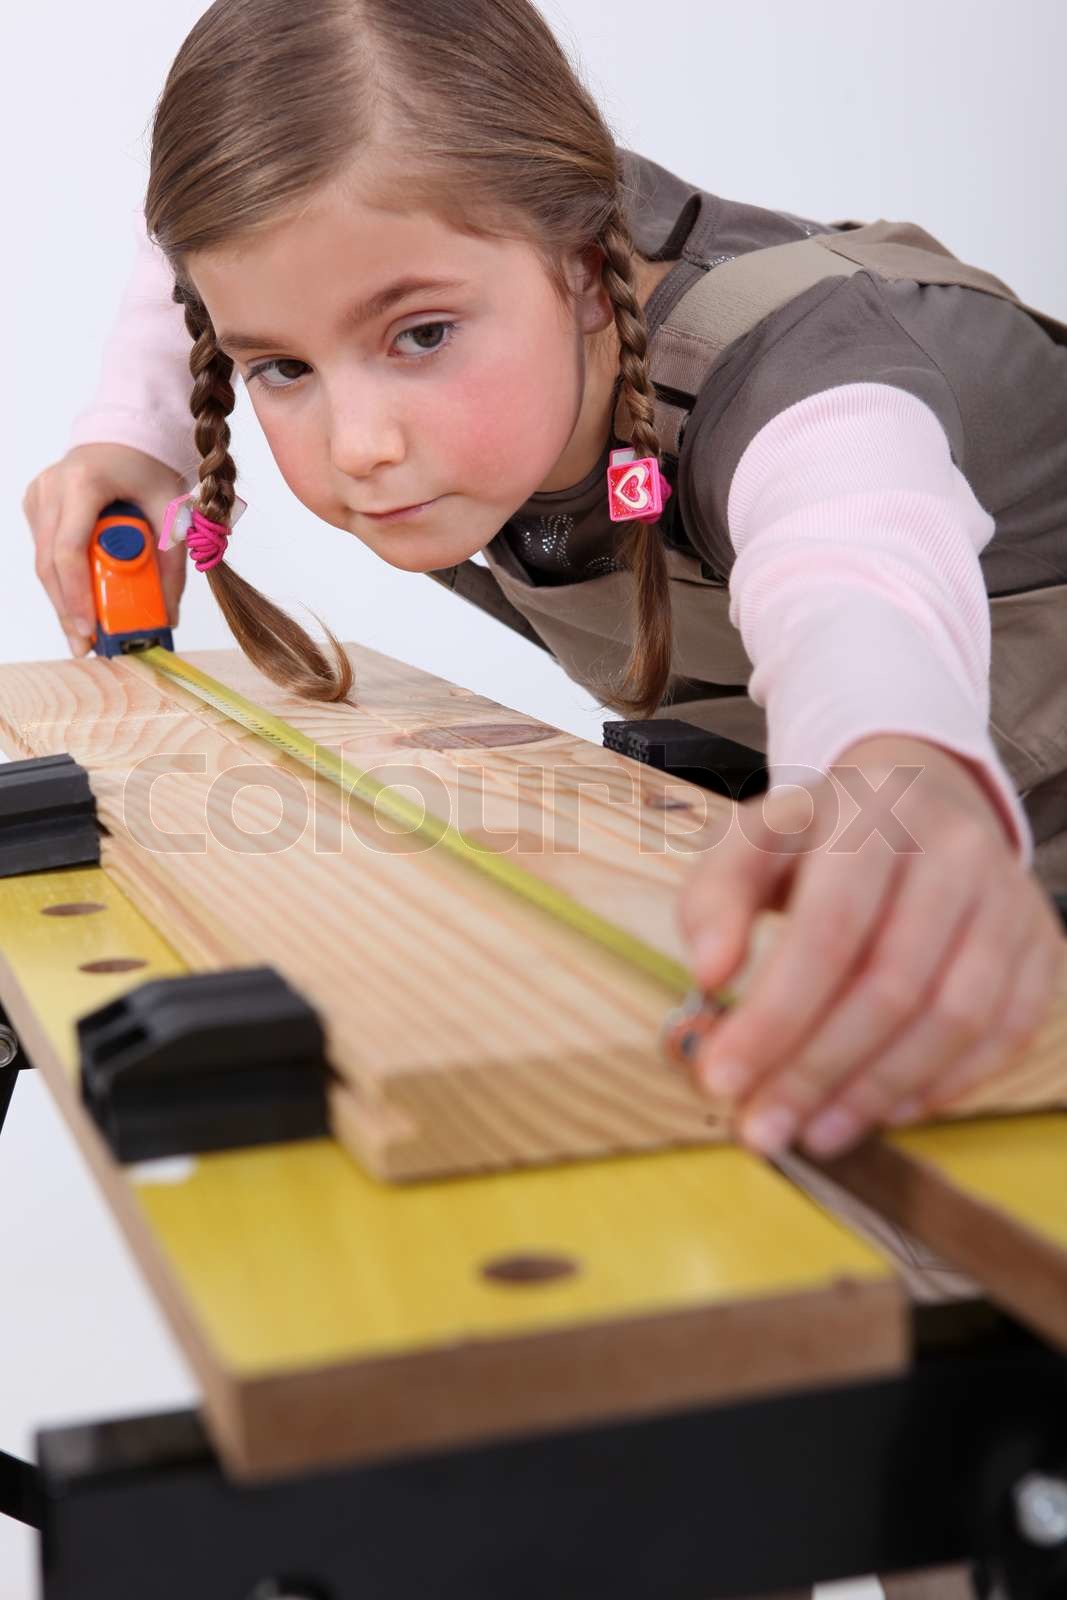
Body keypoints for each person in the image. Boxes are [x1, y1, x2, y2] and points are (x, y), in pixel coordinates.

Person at [23, 0, 1065, 1167]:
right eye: (281, 367)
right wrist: (136, 431)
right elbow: (216, 246)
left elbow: (855, 582)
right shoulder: (470, 223)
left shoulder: (807, 389)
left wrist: (888, 762)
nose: (360, 442)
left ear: (582, 271)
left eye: (418, 335)